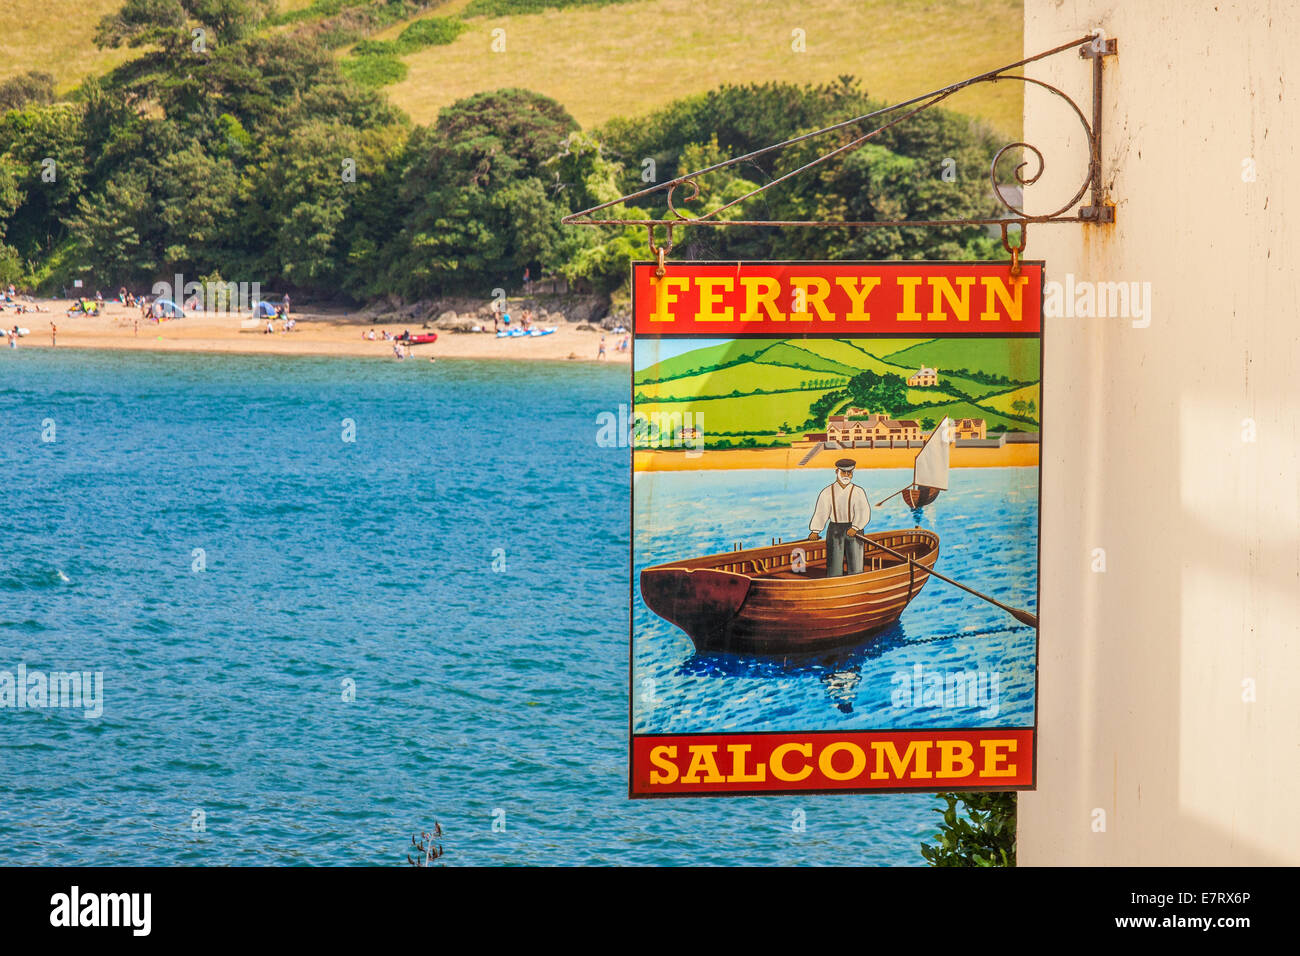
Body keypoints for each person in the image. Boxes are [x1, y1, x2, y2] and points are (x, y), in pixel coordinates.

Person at [807, 458, 871, 578]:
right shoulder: (827, 492)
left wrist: (856, 527)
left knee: (856, 566)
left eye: (849, 472)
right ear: (837, 472)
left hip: (854, 530)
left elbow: (864, 512)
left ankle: (856, 586)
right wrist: (815, 531)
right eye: (843, 472)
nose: (846, 475)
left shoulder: (858, 491)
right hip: (835, 530)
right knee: (834, 565)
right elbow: (821, 512)